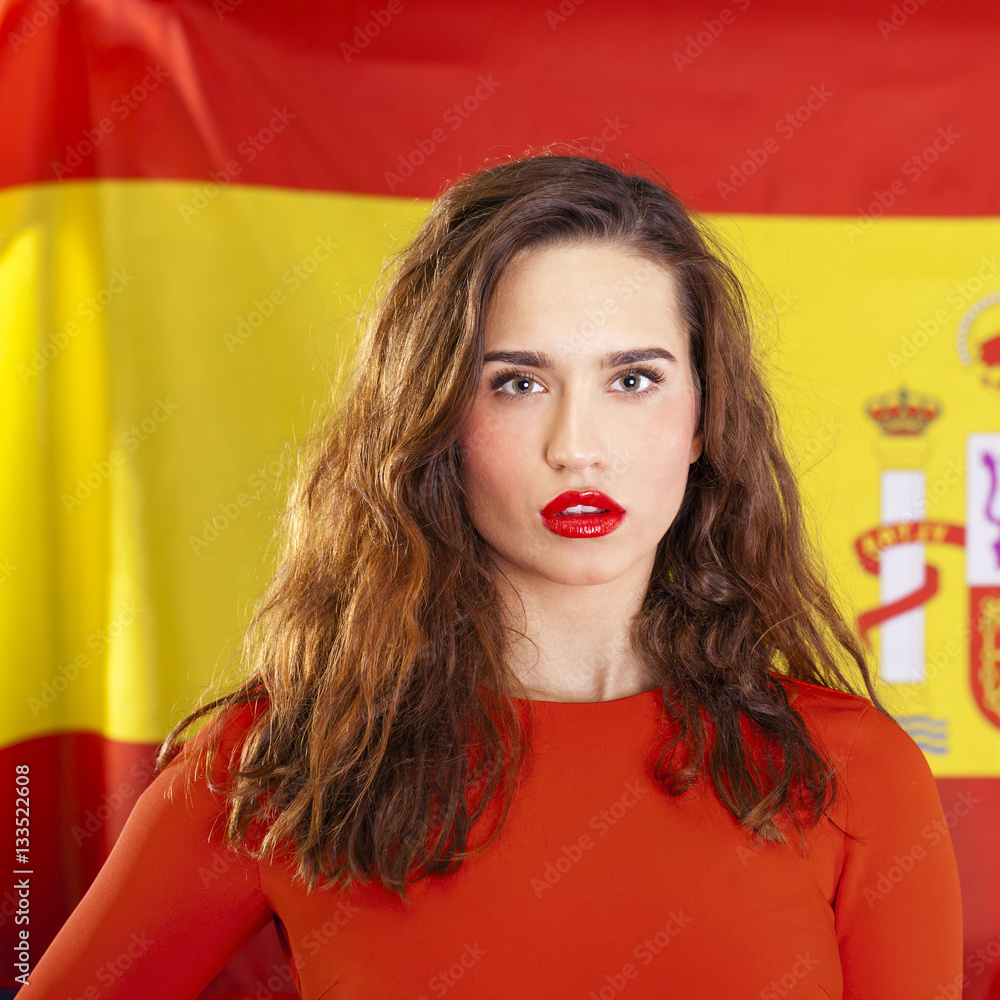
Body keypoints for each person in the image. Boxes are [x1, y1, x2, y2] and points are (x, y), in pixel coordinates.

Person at [19, 148, 962, 999]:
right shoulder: (283, 765)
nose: (577, 446)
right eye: (516, 381)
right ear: (435, 423)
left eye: (632, 380)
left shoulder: (854, 774)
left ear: (704, 421)